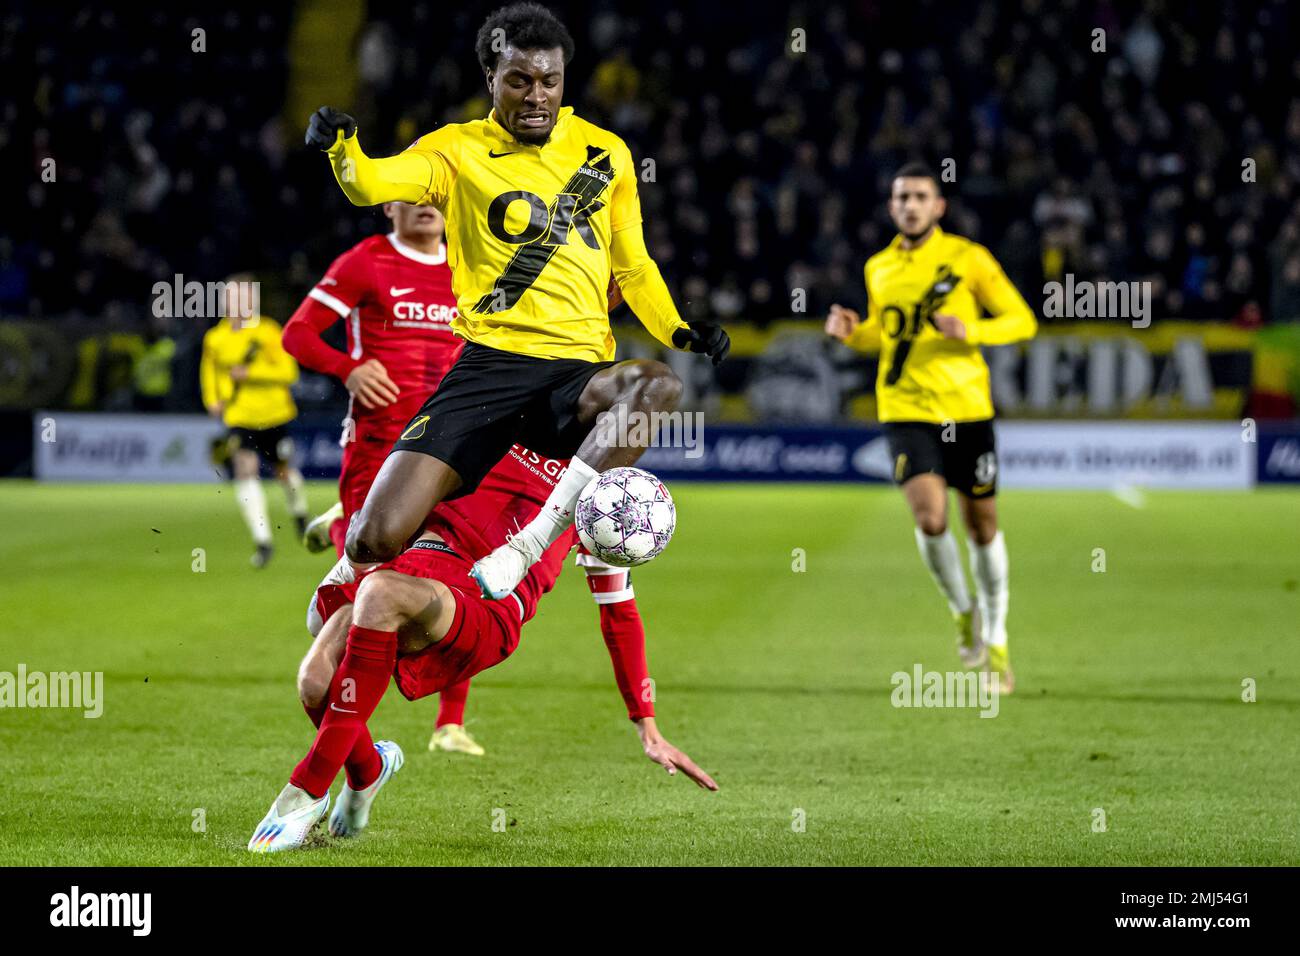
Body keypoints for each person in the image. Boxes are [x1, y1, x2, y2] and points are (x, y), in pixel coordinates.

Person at [302, 2, 729, 609]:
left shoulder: (605, 154)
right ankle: (343, 576)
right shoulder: (455, 150)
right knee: (377, 537)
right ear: (491, 80)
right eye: (519, 80)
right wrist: (342, 147)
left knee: (656, 386)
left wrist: (679, 328)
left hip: (575, 376)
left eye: (549, 81)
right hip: (488, 368)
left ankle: (528, 546)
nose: (536, 95)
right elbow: (370, 184)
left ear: (564, 83)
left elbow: (632, 265)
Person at [248, 444, 716, 853]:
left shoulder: (598, 489)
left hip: (485, 608)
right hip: (415, 567)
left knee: (380, 594)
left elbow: (619, 613)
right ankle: (368, 771)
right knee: (314, 683)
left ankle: (301, 795)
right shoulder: (488, 420)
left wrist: (646, 723)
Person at [825, 162, 1037, 693]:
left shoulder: (969, 259)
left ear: (939, 206)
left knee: (982, 525)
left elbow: (1023, 320)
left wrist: (973, 331)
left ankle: (997, 634)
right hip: (906, 408)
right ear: (892, 206)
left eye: (920, 196)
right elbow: (887, 334)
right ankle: (963, 610)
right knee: (930, 516)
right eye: (901, 197)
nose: (910, 205)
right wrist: (855, 333)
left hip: (967, 409)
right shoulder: (880, 267)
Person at [282, 202, 483, 755]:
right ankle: (337, 535)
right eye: (410, 194)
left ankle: (450, 723)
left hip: (450, 450)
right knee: (365, 586)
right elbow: (297, 335)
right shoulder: (365, 261)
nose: (424, 205)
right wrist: (348, 368)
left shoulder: (470, 264)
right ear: (388, 204)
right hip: (378, 453)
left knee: (453, 568)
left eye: (436, 196)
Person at [199, 274, 310, 568]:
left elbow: (289, 373)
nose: (233, 302)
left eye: (240, 297)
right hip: (240, 417)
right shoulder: (215, 338)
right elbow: (209, 373)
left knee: (284, 473)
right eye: (229, 297)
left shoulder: (269, 332)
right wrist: (212, 399)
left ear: (252, 300)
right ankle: (263, 541)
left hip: (275, 414)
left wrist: (251, 375)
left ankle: (299, 514)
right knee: (244, 470)